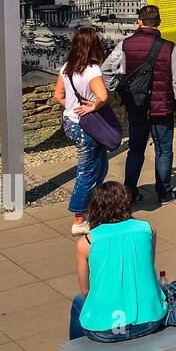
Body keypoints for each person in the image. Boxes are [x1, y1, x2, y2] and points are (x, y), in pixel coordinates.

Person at [101, 4, 176, 206]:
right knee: (164, 150)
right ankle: (165, 193)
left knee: (135, 150)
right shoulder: (169, 47)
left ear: (138, 22)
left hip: (136, 106)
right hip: (162, 107)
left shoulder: (125, 45)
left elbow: (106, 70)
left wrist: (115, 87)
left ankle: (130, 193)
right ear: (159, 23)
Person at [68, 181, 167, 343]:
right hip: (149, 321)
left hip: (107, 329)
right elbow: (147, 265)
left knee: (79, 301)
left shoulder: (86, 242)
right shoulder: (148, 229)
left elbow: (86, 291)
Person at [55, 27, 112, 235]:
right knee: (88, 172)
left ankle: (91, 209)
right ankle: (79, 218)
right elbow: (103, 96)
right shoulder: (92, 70)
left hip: (71, 123)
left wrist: (72, 107)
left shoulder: (66, 68)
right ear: (93, 44)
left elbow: (58, 96)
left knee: (100, 167)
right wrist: (91, 107)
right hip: (86, 126)